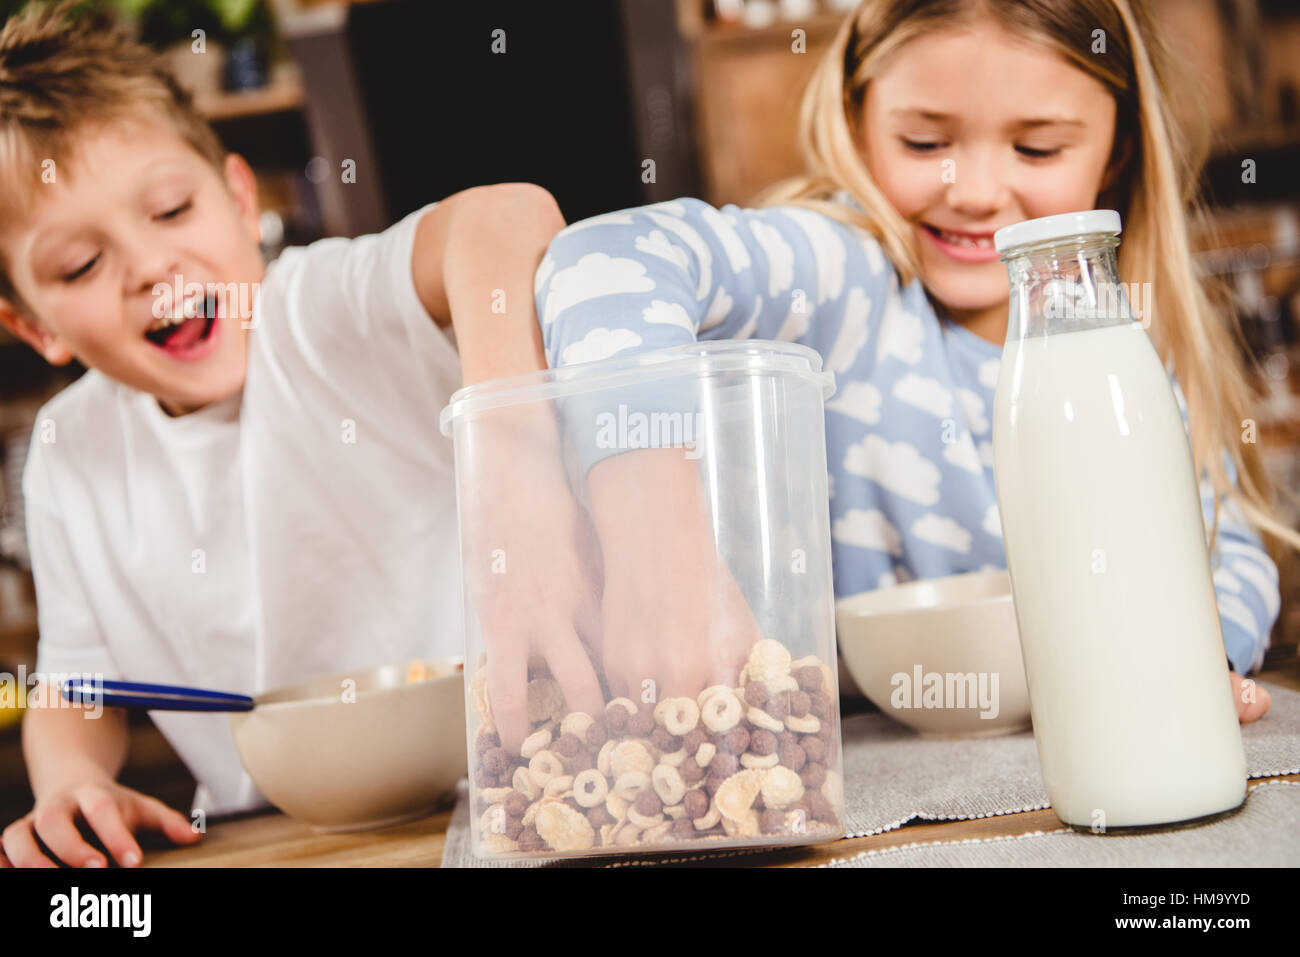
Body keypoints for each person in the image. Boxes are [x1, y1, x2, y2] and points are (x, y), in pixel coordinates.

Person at [526, 0, 1295, 734]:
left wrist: (1198, 661)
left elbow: (1228, 553)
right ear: (858, 119)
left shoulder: (1123, 346)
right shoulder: (843, 275)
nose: (977, 194)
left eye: (1037, 148)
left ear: (1117, 149)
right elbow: (602, 257)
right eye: (925, 144)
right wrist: (653, 523)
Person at [0, 2, 578, 867]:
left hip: (520, 793)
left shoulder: (320, 313)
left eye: (170, 209)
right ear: (33, 325)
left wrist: (516, 464)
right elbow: (79, 684)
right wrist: (68, 783)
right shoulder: (68, 453)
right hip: (285, 841)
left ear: (239, 200)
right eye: (80, 265)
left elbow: (506, 216)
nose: (150, 267)